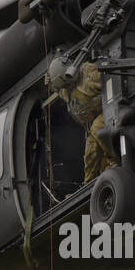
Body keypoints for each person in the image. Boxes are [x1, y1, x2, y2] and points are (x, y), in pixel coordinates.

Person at [48, 56, 118, 184]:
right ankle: (89, 185)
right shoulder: (66, 90)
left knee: (97, 128)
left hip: (110, 109)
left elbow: (113, 79)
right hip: (97, 119)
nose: (66, 87)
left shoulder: (89, 74)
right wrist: (51, 83)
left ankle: (117, 161)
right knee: (90, 152)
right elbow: (59, 90)